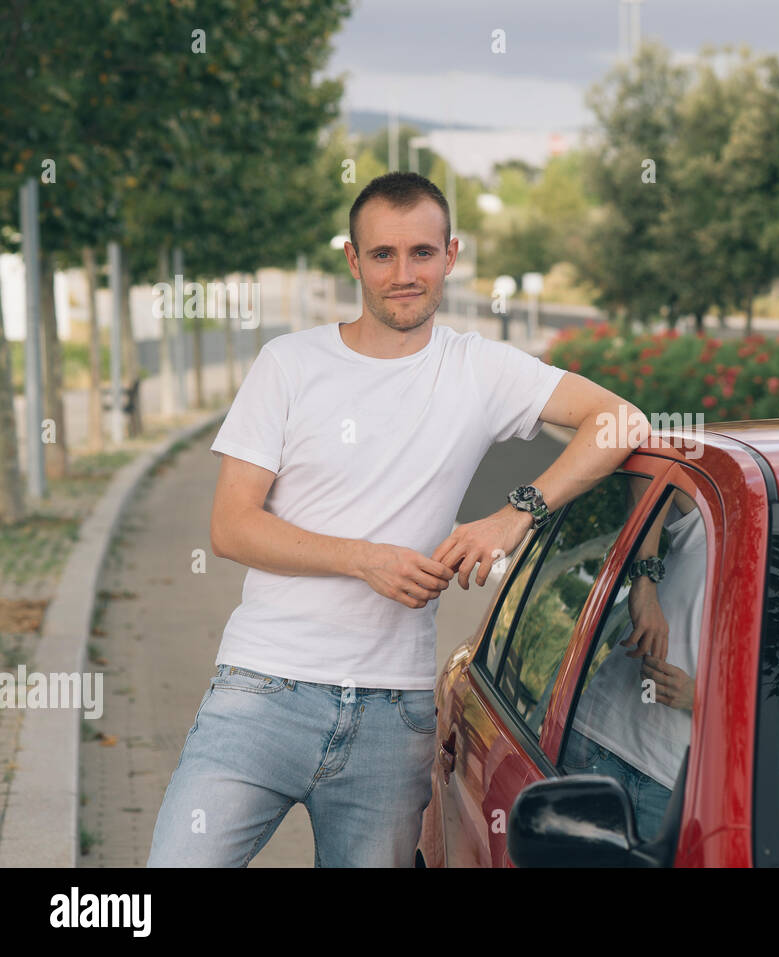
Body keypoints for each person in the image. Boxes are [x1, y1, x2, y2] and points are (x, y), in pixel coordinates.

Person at [147, 172, 648, 867]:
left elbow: (620, 420)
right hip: (262, 690)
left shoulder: (479, 369)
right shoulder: (288, 365)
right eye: (383, 254)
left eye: (422, 252)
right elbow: (231, 526)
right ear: (354, 260)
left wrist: (515, 513)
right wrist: (364, 558)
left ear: (451, 255)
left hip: (395, 715)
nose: (404, 273)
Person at [562, 483, 706, 840]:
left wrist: (702, 698)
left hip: (674, 791)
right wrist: (644, 579)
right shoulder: (716, 527)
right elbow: (659, 461)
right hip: (596, 740)